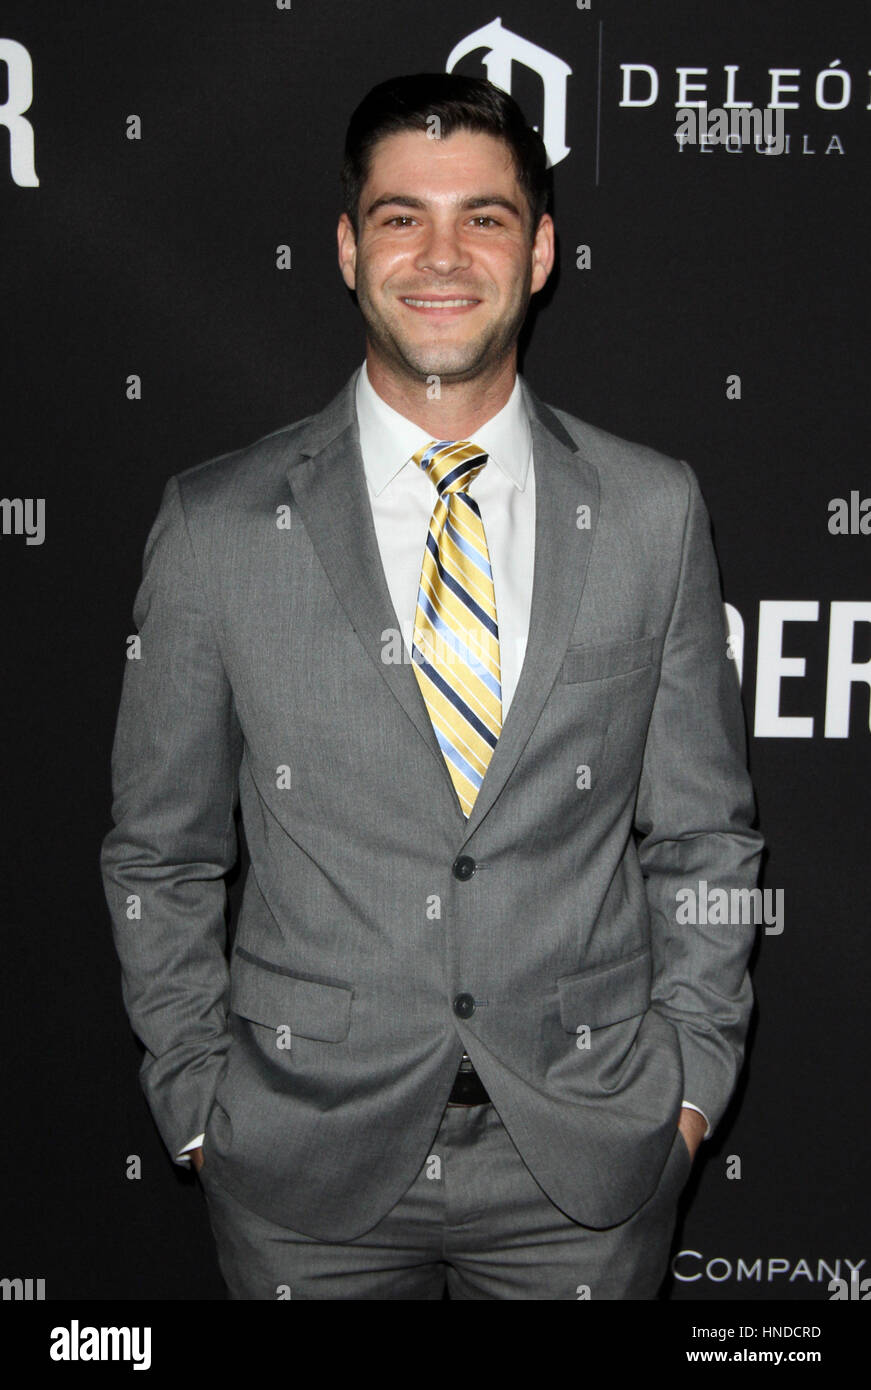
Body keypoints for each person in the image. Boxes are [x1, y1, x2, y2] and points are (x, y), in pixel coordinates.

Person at [101, 72, 763, 1300]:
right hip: (302, 1170)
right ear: (349, 249)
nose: (442, 255)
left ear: (544, 248)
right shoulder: (217, 526)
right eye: (403, 217)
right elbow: (159, 854)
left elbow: (708, 837)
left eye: (487, 217)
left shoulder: (649, 510)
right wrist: (197, 1100)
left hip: (586, 1158)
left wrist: (690, 1082)